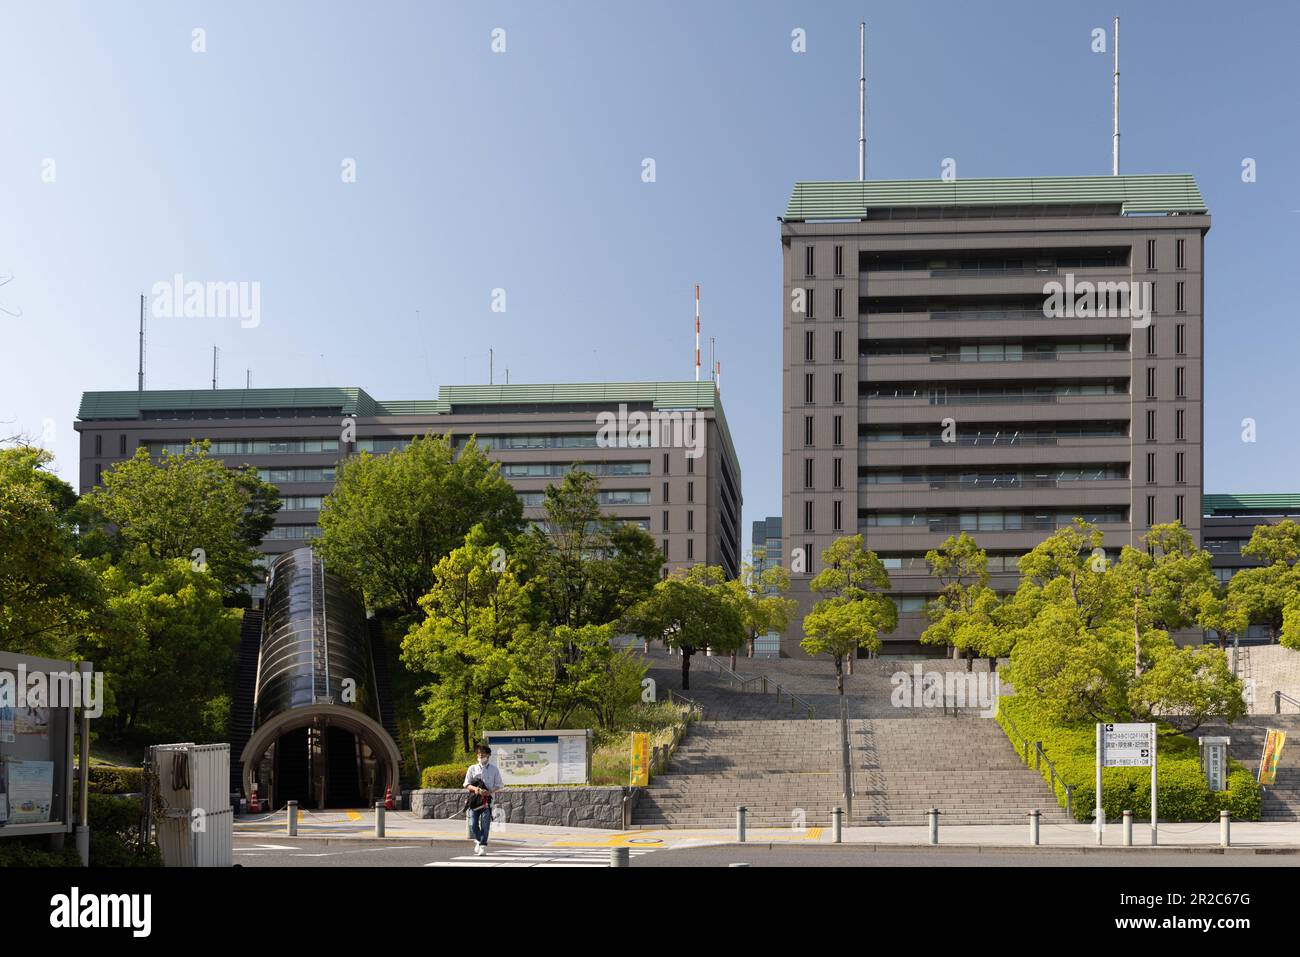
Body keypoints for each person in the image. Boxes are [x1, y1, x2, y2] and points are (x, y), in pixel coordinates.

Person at [463, 743, 503, 856]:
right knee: (473, 824)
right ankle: (479, 839)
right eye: (479, 754)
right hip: (474, 801)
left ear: (488, 756)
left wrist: (489, 792)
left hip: (487, 802)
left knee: (485, 824)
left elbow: (499, 785)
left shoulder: (494, 769)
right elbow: (466, 784)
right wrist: (475, 789)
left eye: (483, 754)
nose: (481, 756)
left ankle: (482, 845)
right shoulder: (472, 768)